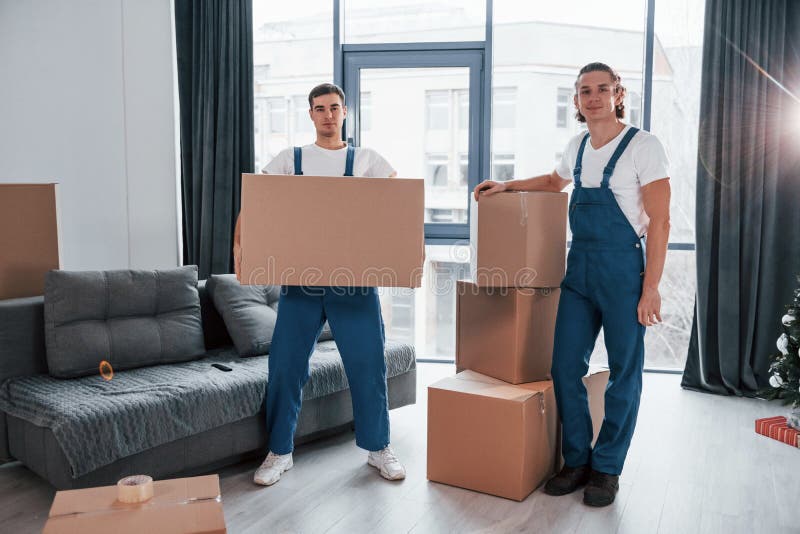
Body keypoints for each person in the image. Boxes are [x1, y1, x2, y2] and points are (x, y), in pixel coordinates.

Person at [474, 62, 670, 507]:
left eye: (603, 89)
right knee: (565, 366)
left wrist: (651, 287)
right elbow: (551, 182)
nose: (594, 97)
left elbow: (661, 221)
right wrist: (506, 185)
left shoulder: (644, 146)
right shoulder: (578, 145)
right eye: (585, 90)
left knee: (625, 372)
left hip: (624, 271)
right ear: (577, 99)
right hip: (578, 270)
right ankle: (576, 460)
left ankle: (607, 468)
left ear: (618, 93)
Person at [233, 83, 406, 486]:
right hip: (301, 284)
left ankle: (379, 448)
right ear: (310, 115)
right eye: (319, 108)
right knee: (285, 367)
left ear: (346, 111)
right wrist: (240, 244)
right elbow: (256, 203)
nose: (327, 115)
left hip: (354, 284)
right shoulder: (288, 160)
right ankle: (279, 452)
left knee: (368, 366)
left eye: (334, 107)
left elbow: (397, 208)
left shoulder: (367, 160)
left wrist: (404, 256)